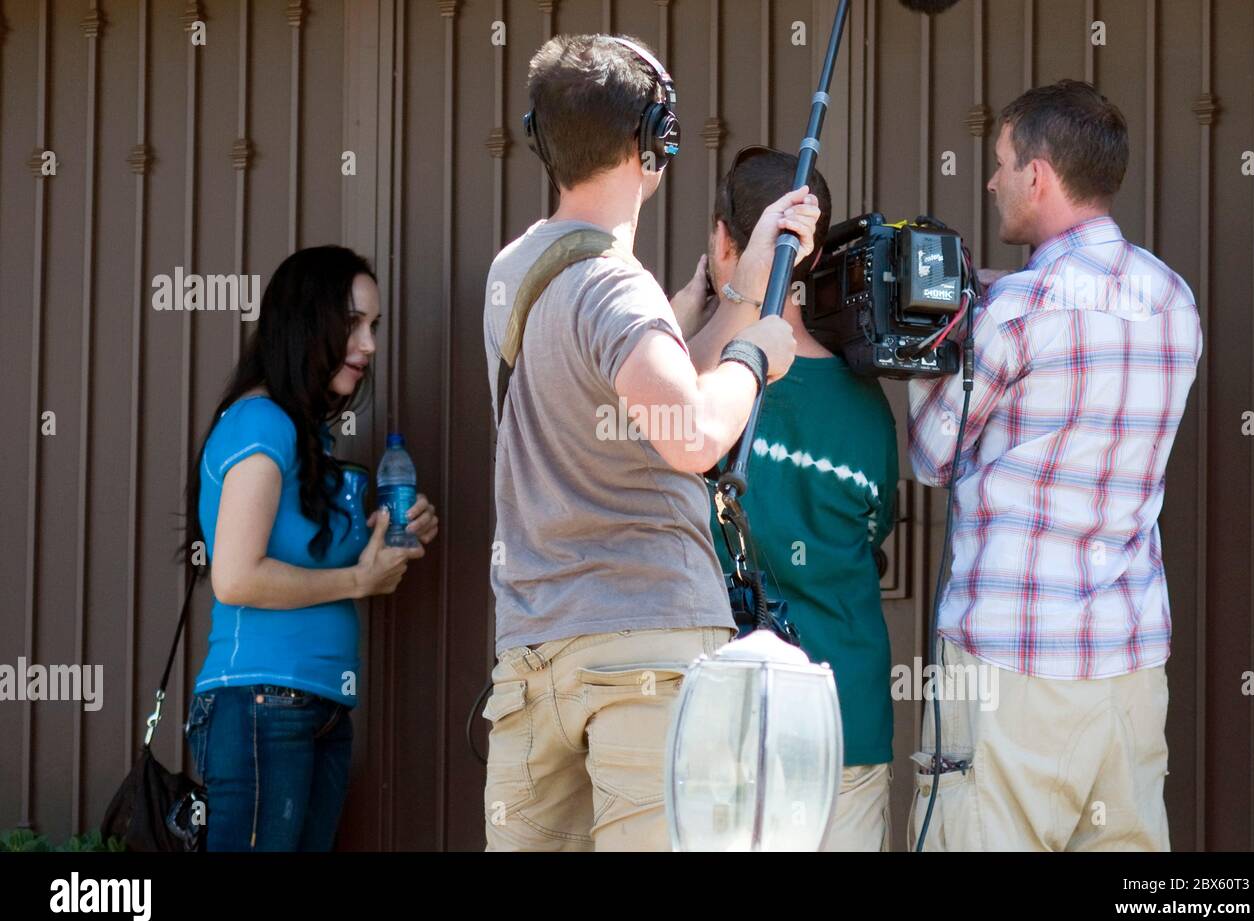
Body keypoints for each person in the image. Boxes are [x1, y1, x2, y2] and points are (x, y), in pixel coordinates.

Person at [481, 34, 819, 851]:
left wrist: (737, 296)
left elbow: (643, 397)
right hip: (646, 658)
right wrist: (758, 354)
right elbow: (694, 432)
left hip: (534, 661)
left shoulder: (517, 270)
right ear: (655, 143)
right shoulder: (617, 288)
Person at [907, 80, 1202, 851]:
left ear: (1038, 176)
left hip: (1013, 663)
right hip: (1129, 662)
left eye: (1002, 163)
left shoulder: (1014, 314)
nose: (993, 180)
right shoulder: (1174, 302)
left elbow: (933, 456)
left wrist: (925, 350)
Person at [673, 146, 899, 851]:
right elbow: (875, 529)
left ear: (722, 240)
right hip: (846, 716)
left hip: (720, 715)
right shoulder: (870, 408)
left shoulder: (686, 386)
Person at [183, 245, 439, 851]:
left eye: (372, 326)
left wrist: (391, 538)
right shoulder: (261, 423)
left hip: (317, 706)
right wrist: (359, 581)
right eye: (353, 323)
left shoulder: (305, 435)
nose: (369, 345)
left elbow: (308, 557)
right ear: (306, 322)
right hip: (262, 704)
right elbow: (236, 578)